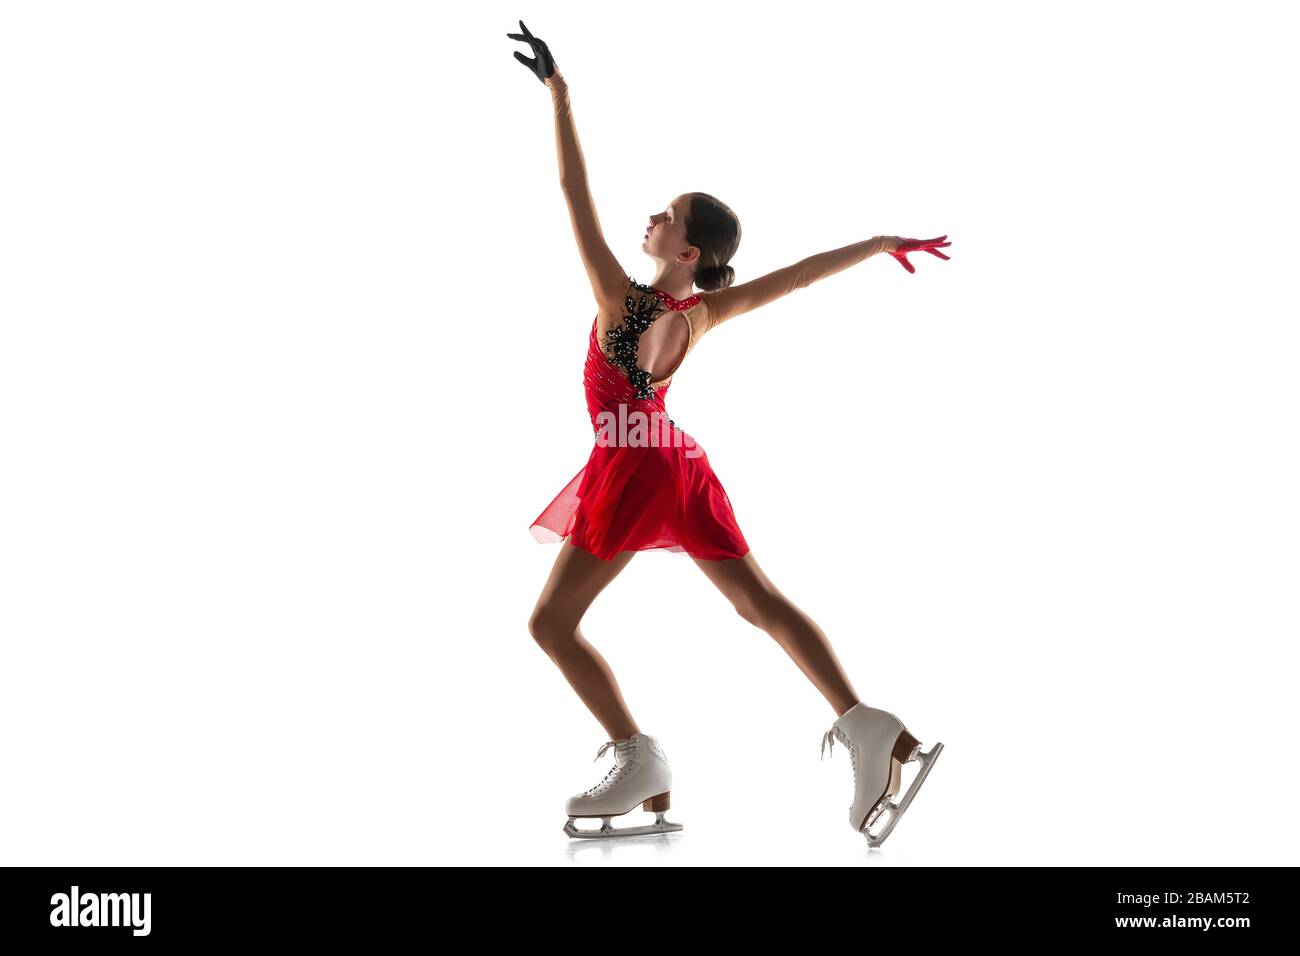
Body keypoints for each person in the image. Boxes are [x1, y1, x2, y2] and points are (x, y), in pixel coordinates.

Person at [508, 21, 949, 845]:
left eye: (665, 214)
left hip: (633, 470)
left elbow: (573, 193)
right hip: (673, 463)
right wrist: (882, 242)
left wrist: (560, 97)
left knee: (550, 624)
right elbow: (794, 277)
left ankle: (638, 756)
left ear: (689, 246)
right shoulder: (700, 313)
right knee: (758, 603)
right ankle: (869, 725)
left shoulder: (622, 300)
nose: (651, 216)